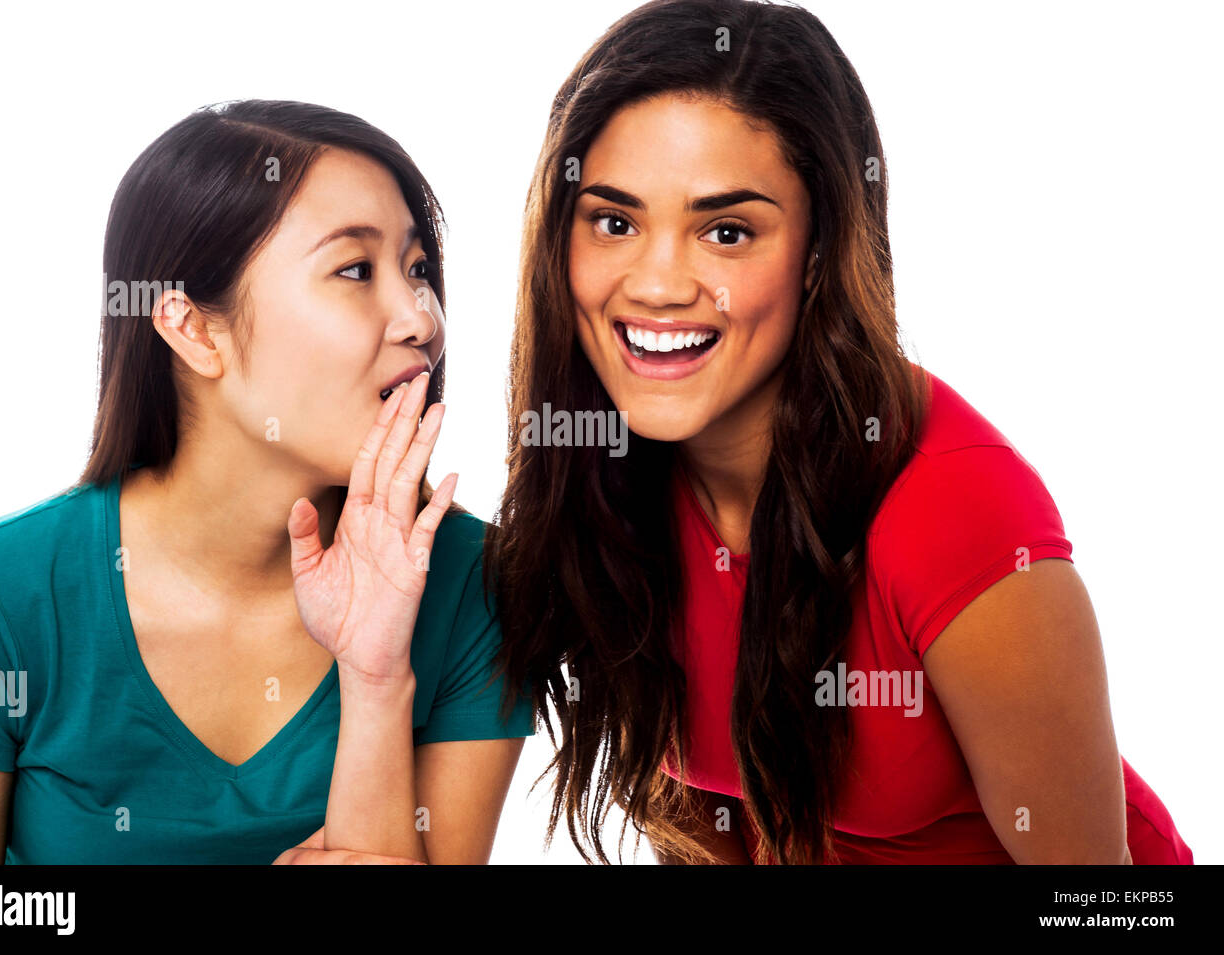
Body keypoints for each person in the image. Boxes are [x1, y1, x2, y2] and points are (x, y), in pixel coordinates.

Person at [483, 0, 1193, 864]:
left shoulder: (955, 509)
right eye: (615, 221)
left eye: (727, 231)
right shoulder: (605, 482)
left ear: (819, 250)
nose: (658, 284)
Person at [0, 100, 534, 865]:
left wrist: (375, 677)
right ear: (193, 330)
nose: (421, 318)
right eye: (355, 269)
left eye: (417, 269)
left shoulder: (474, 583)